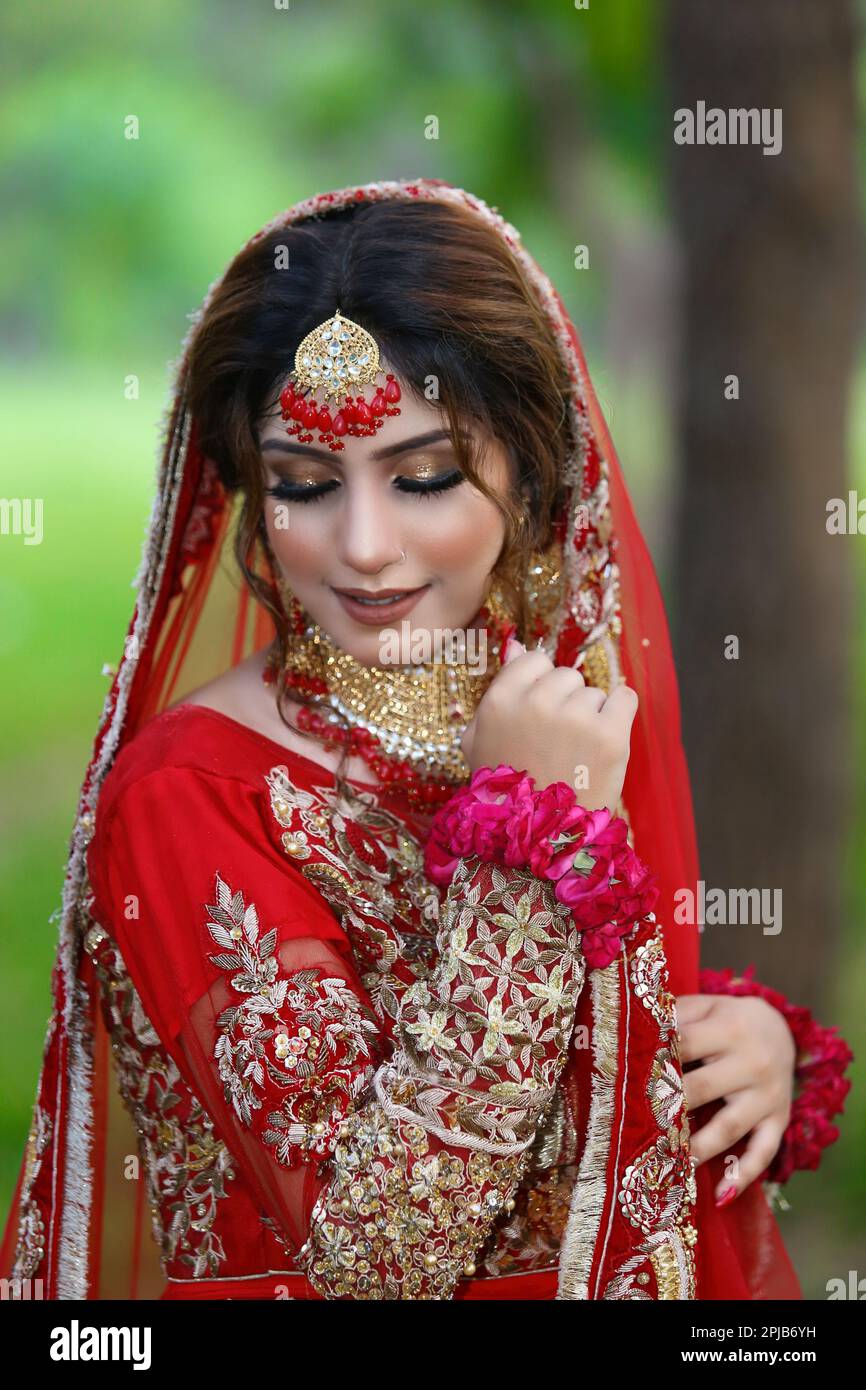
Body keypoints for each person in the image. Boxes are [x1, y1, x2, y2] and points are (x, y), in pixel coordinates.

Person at [0, 178, 852, 1301]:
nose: (363, 545)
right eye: (303, 486)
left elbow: (587, 1072)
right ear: (250, 492)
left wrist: (743, 1050)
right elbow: (379, 1255)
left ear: (533, 464)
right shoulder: (188, 795)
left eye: (423, 477)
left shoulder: (553, 710)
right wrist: (527, 846)